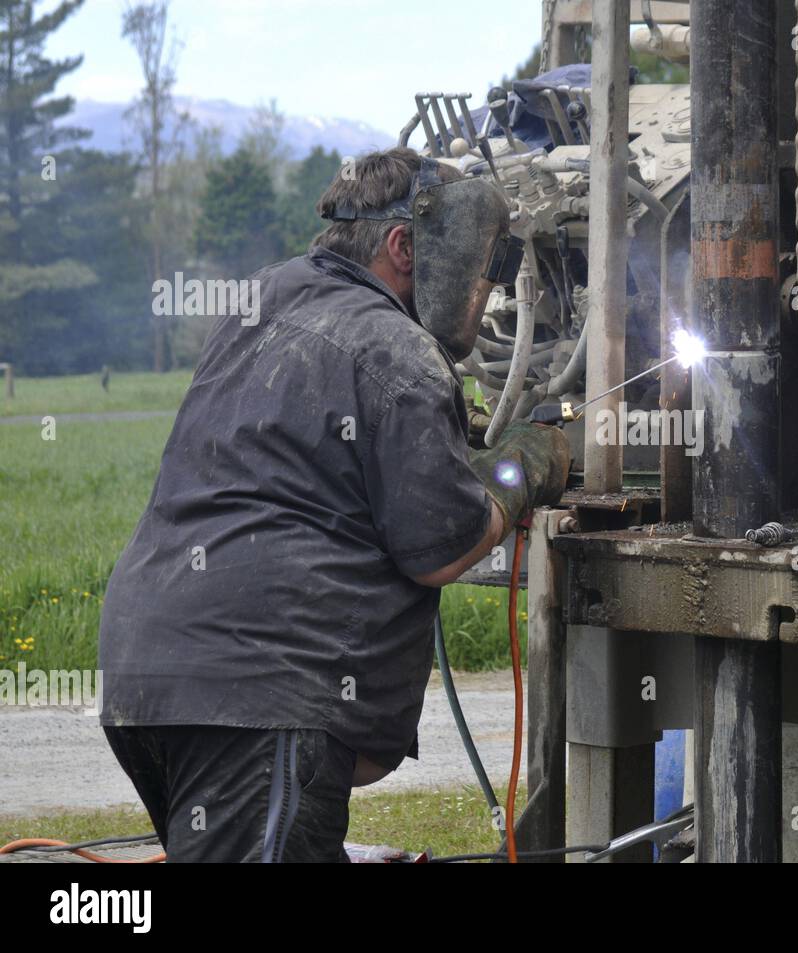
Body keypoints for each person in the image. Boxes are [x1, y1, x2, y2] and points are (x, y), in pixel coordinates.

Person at [98, 146, 568, 862]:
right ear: (403, 244)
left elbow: (311, 464)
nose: (483, 285)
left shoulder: (266, 299)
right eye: (478, 264)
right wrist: (525, 463)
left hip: (152, 673)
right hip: (261, 694)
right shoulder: (394, 347)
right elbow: (447, 540)